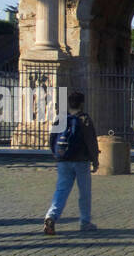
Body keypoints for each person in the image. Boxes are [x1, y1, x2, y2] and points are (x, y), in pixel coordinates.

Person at [42, 91, 99, 235]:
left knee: (61, 190)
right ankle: (85, 222)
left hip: (63, 160)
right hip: (81, 161)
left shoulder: (61, 118)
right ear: (82, 103)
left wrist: (56, 155)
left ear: (69, 103)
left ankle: (51, 216)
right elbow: (91, 141)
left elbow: (52, 138)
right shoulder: (84, 119)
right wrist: (95, 160)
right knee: (84, 193)